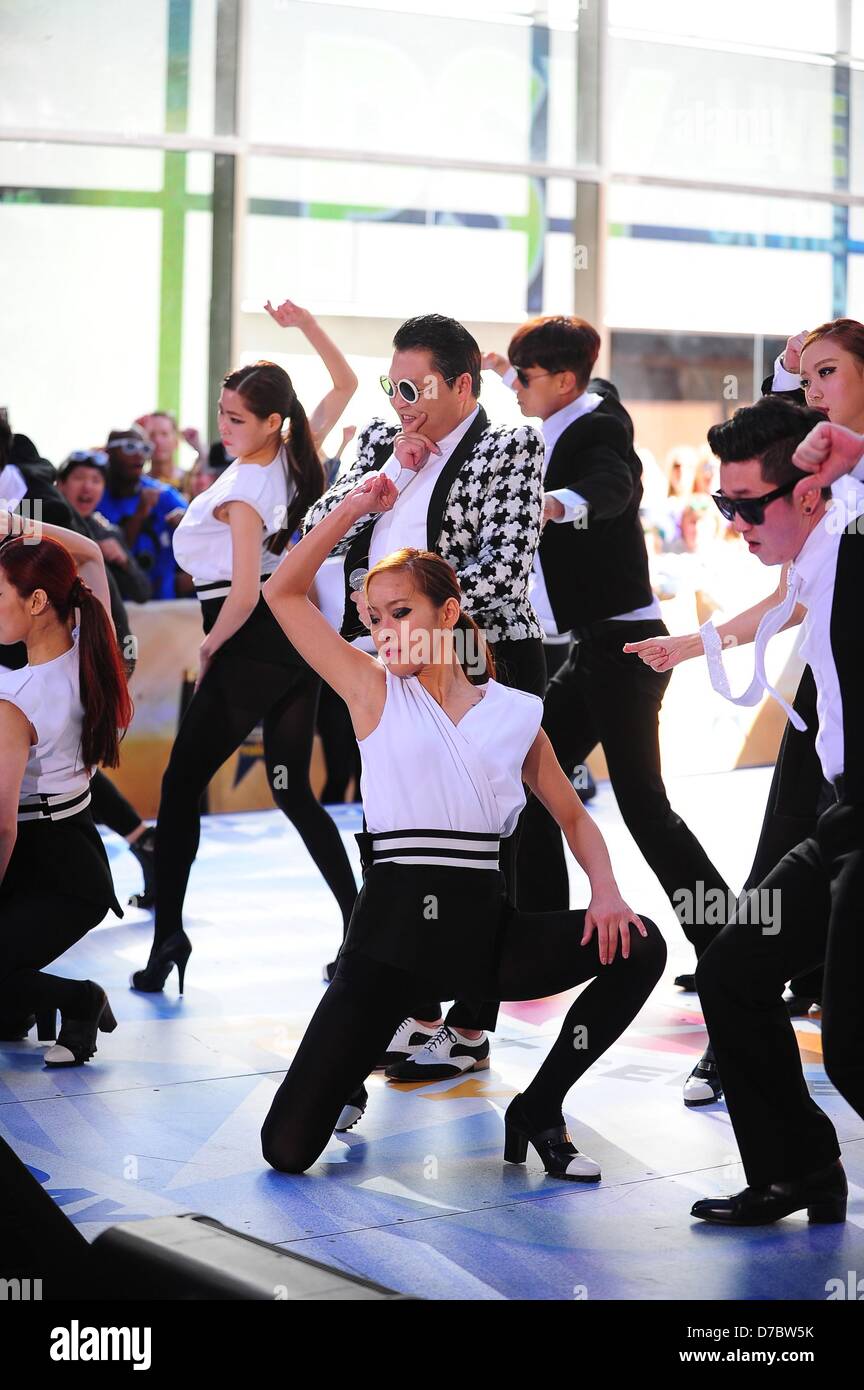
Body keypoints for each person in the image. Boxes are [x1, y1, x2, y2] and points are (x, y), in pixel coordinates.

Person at [257, 472, 666, 1174]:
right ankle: (353, 1060)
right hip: (386, 947)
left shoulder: (515, 711)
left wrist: (606, 892)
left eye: (401, 613)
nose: (384, 631)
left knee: (640, 946)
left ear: (447, 614)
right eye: (375, 617)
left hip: (484, 940)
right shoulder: (368, 687)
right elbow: (281, 592)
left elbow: (573, 817)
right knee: (286, 1151)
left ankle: (540, 1107)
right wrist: (355, 507)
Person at [486, 315, 731, 1107]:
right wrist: (500, 370)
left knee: (645, 810)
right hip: (593, 651)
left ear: (560, 381)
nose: (518, 388)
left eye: (525, 376)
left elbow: (611, 487)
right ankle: (542, 929)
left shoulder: (599, 433)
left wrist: (553, 507)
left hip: (628, 651)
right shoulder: (573, 408)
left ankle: (730, 955)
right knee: (524, 770)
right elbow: (592, 398)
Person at [303, 312, 546, 1078]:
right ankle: (415, 1007)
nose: (401, 399)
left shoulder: (512, 445)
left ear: (464, 384)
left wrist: (418, 617)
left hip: (477, 660)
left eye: (415, 387)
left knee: (485, 845)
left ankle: (471, 1029)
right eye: (392, 385)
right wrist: (385, 482)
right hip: (381, 665)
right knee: (390, 827)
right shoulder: (379, 443)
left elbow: (504, 568)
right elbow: (313, 527)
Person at [673, 402, 864, 1226]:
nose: (738, 523)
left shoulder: (854, 543)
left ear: (813, 494)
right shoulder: (813, 558)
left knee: (853, 1049)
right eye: (727, 506)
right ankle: (799, 1171)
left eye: (751, 506)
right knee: (732, 972)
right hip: (843, 817)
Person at [130, 349, 360, 994]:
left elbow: (238, 594)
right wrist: (305, 326)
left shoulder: (243, 489)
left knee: (180, 788)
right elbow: (344, 384)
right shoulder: (289, 459)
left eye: (236, 418)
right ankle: (359, 925)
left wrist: (209, 653)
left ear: (270, 421)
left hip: (253, 637)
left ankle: (166, 937)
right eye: (223, 415)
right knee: (292, 789)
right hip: (294, 638)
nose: (225, 427)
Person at [0, 509, 132, 1064]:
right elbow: (93, 555)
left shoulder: (18, 699)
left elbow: (3, 825)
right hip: (73, 852)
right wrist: (16, 524)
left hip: (50, 863)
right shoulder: (89, 652)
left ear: (35, 602)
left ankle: (80, 1000)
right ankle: (24, 1005)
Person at [98, 427, 188, 599]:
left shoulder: (163, 495)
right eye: (129, 447)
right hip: (116, 603)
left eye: (145, 448)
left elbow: (205, 535)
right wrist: (140, 514)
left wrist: (186, 523)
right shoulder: (95, 496)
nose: (139, 455)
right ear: (108, 452)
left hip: (164, 607)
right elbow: (117, 554)